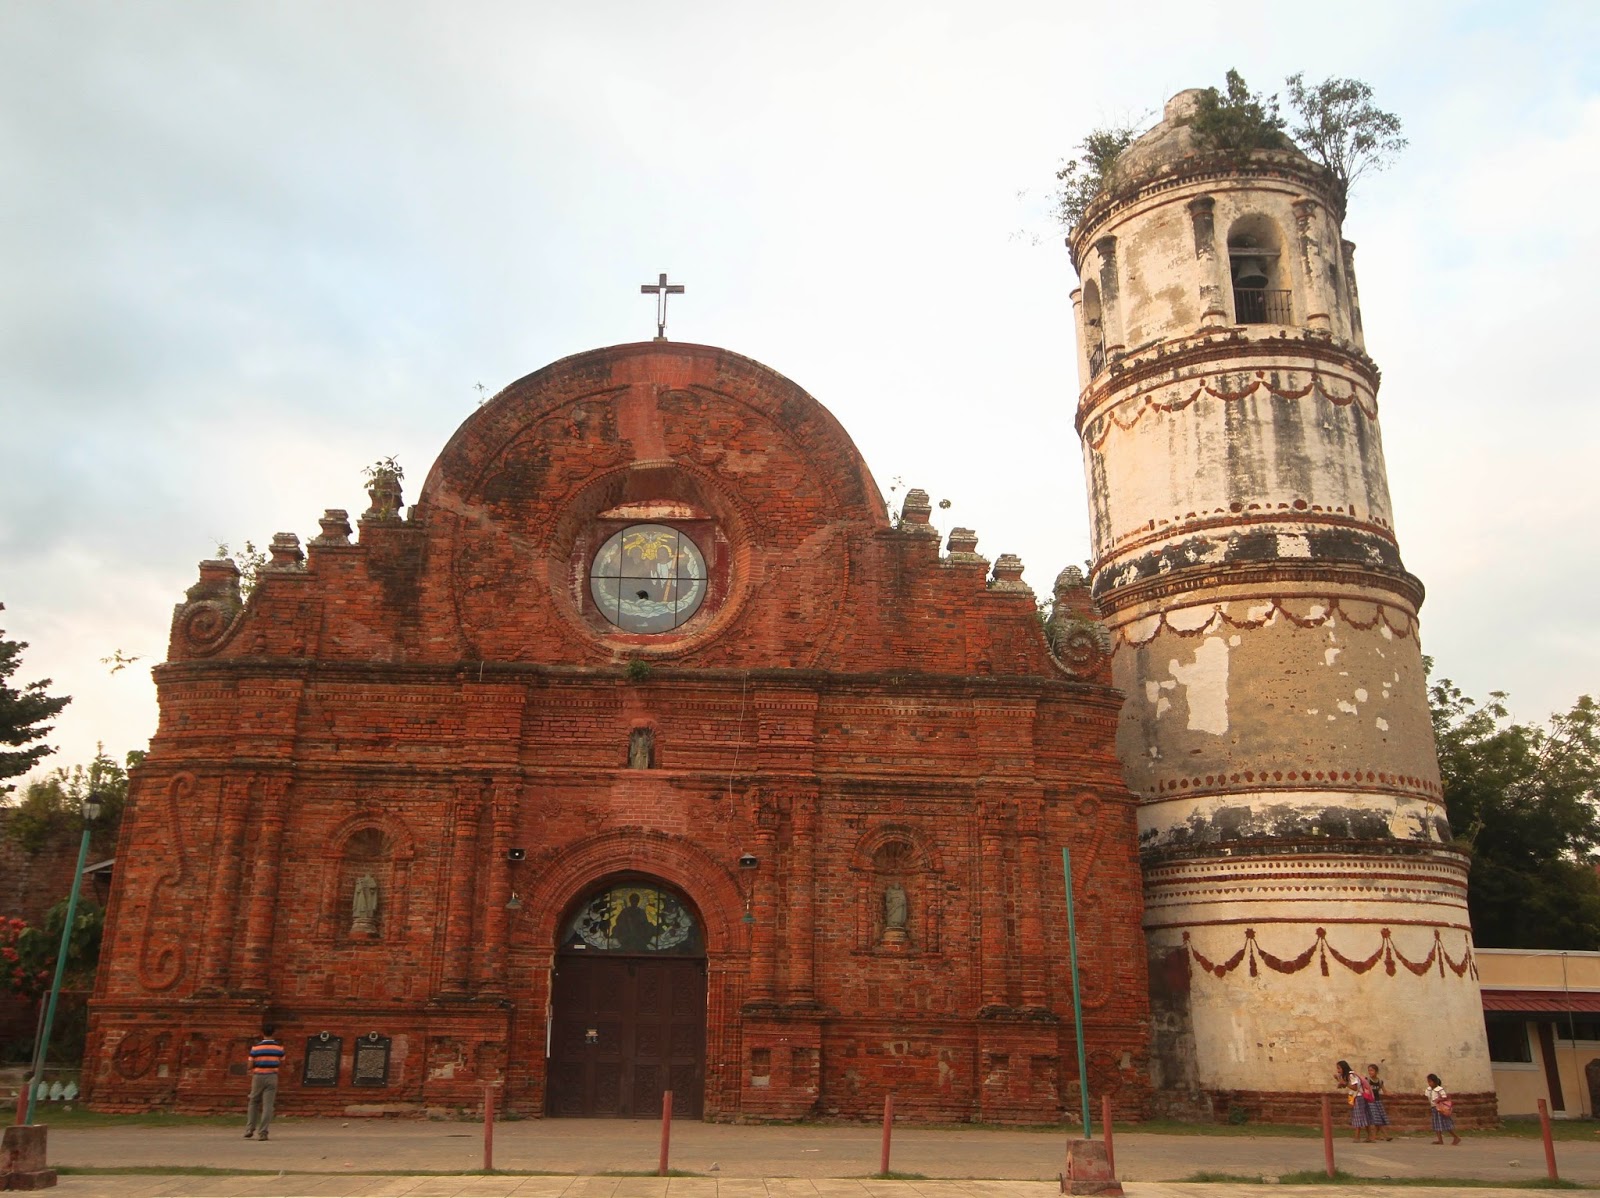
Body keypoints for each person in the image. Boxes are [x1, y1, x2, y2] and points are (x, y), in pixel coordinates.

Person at [244, 1025, 286, 1141]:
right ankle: (263, 1132)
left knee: (253, 1101)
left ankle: (250, 1128)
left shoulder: (256, 1048)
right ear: (274, 1032)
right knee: (268, 1105)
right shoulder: (279, 1048)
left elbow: (249, 1065)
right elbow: (282, 1062)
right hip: (272, 1076)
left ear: (262, 1032)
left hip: (258, 1076)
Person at [1336, 1059, 1374, 1142]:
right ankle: (1370, 1136)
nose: (1338, 1070)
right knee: (1364, 1116)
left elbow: (1355, 1087)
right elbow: (1345, 1086)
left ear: (1343, 1068)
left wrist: (1345, 1083)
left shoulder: (1351, 1075)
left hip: (1359, 1097)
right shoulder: (1347, 1076)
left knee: (1358, 1117)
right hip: (1357, 1097)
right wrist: (1340, 1081)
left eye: (1339, 1068)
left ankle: (1357, 1137)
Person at [1425, 1073, 1461, 1145]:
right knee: (1436, 1124)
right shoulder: (1429, 1090)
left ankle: (1456, 1137)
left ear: (1435, 1082)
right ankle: (1440, 1140)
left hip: (1440, 1109)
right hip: (1434, 1108)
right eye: (1428, 1081)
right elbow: (1428, 1097)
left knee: (1445, 1124)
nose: (1429, 1083)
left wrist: (1439, 1099)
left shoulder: (1439, 1089)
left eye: (1430, 1081)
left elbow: (1444, 1097)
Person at [1365, 1064, 1394, 1141]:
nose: (1370, 1072)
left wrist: (1391, 1094)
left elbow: (1384, 1091)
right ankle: (1375, 1136)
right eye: (1369, 1070)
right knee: (1376, 1119)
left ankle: (1382, 1135)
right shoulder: (1367, 1080)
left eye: (1372, 1070)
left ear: (1376, 1072)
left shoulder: (1380, 1082)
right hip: (1370, 1101)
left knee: (1381, 1118)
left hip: (1377, 1101)